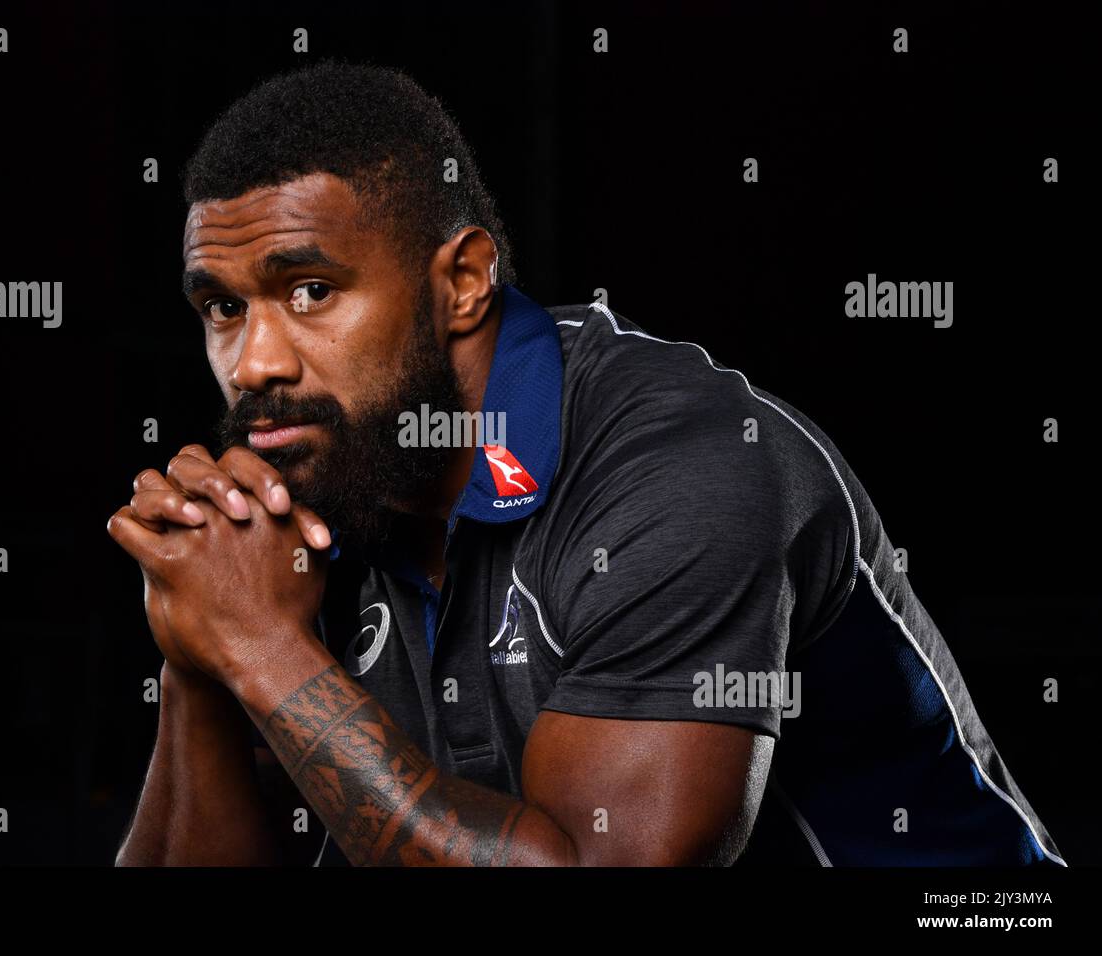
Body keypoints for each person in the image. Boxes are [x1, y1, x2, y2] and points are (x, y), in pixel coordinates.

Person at [107, 58, 1064, 866]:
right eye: (222, 309)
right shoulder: (331, 482)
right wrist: (201, 639)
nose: (255, 363)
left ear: (465, 283)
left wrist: (260, 648)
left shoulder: (682, 467)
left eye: (310, 289)